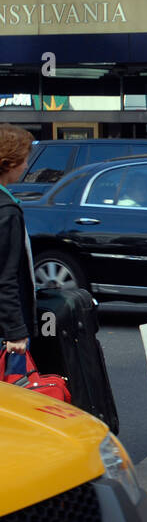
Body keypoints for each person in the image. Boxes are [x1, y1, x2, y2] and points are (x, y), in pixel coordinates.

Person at [0, 124, 36, 361]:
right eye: (23, 160)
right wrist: (16, 331)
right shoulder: (6, 211)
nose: (25, 166)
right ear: (9, 163)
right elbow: (5, 275)